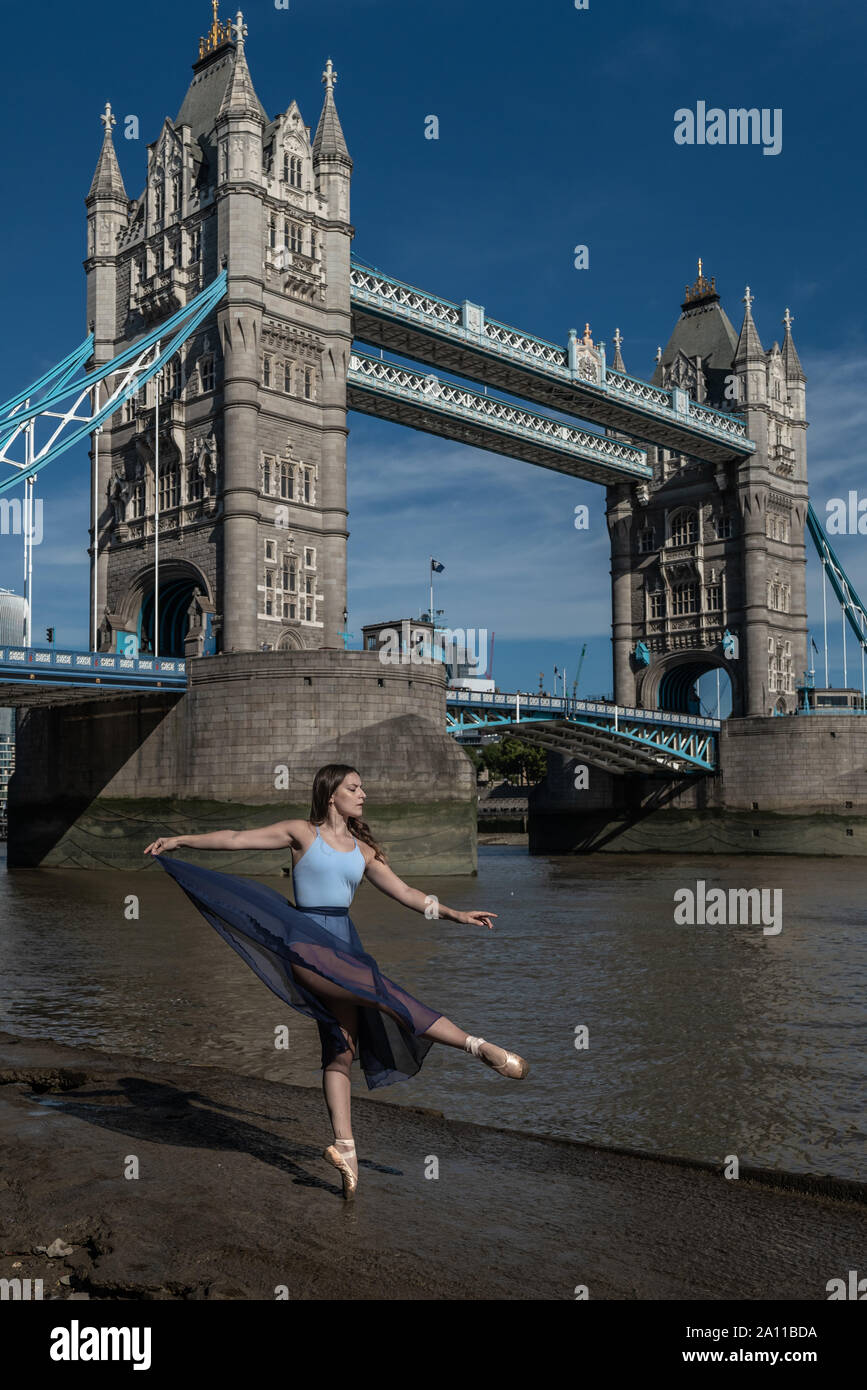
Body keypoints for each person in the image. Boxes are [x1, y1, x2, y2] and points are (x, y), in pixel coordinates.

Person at [144, 763, 528, 1200]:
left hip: (346, 947)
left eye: (362, 787)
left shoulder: (364, 851)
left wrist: (456, 913)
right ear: (332, 795)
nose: (362, 795)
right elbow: (235, 839)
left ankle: (344, 1148)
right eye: (354, 788)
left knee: (341, 1049)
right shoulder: (301, 833)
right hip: (306, 945)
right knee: (382, 995)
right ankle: (477, 1046)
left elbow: (406, 894)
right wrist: (178, 840)